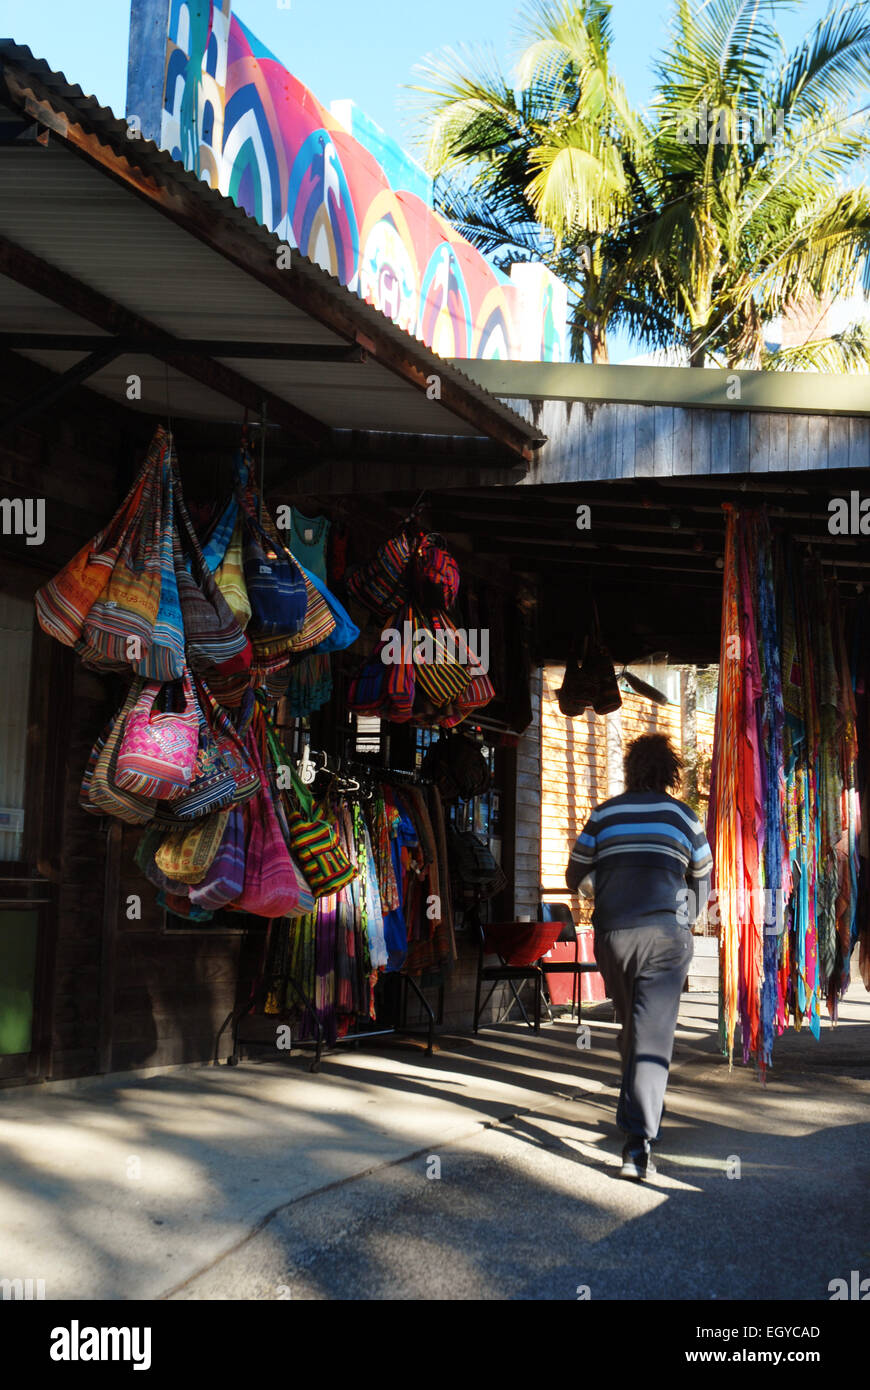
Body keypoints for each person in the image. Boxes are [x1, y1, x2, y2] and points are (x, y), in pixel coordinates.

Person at [565, 733, 712, 1183]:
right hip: (665, 938)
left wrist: (603, 893)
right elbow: (702, 881)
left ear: (630, 771)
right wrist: (683, 919)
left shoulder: (605, 815)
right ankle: (637, 1142)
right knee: (652, 1036)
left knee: (633, 1027)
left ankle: (637, 1111)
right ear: (669, 771)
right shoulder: (683, 818)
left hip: (614, 937)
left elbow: (575, 874)